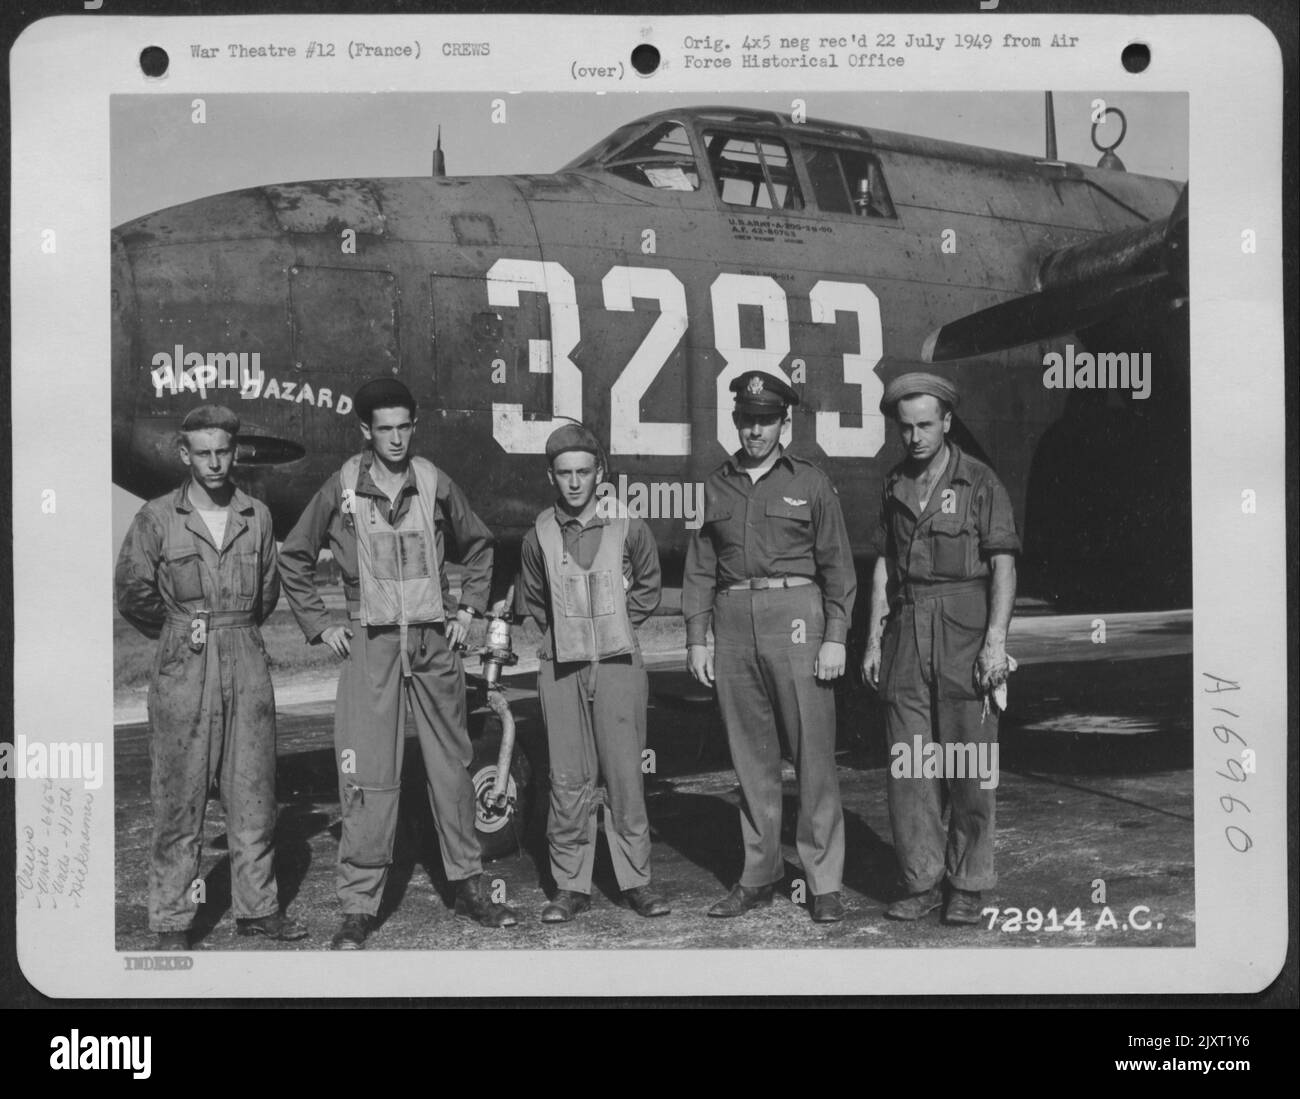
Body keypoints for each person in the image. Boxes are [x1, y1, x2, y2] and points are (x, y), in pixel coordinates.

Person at [278, 378, 519, 949]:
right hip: (372, 646)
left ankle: (467, 884)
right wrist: (321, 624)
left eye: (402, 426)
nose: (393, 437)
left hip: (434, 645)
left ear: (414, 426)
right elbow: (294, 554)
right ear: (366, 430)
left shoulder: (434, 482)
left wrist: (469, 611)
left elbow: (480, 545)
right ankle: (359, 906)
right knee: (366, 776)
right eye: (382, 428)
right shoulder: (342, 487)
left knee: (452, 768)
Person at [115, 404, 307, 950]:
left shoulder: (259, 516)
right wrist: (183, 631)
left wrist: (229, 631)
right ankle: (173, 922)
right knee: (179, 800)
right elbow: (133, 594)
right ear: (185, 455)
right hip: (184, 664)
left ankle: (258, 910)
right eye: (203, 452)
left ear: (235, 452)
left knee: (254, 796)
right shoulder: (156, 518)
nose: (215, 462)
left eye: (223, 451)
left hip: (245, 656)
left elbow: (266, 594)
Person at [683, 371, 856, 922]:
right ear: (735, 420)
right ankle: (759, 874)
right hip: (733, 620)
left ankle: (824, 881)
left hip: (797, 617)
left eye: (766, 419)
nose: (755, 430)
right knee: (750, 760)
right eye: (747, 419)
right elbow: (699, 568)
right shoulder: (713, 486)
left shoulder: (810, 482)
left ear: (785, 422)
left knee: (812, 755)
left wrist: (835, 636)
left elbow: (838, 566)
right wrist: (696, 637)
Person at [861, 373, 1019, 926]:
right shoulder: (893, 485)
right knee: (909, 766)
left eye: (925, 425)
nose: (915, 437)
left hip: (964, 629)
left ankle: (968, 883)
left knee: (969, 764)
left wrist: (995, 643)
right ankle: (922, 880)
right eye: (905, 427)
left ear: (947, 422)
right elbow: (883, 563)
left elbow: (1002, 563)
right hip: (907, 630)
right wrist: (874, 637)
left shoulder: (979, 482)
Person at [515, 424, 669, 922]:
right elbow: (534, 600)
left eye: (584, 471)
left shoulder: (628, 524)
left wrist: (620, 627)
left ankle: (637, 882)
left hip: (618, 666)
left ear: (600, 472)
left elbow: (649, 583)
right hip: (561, 666)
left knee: (625, 775)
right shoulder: (537, 534)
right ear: (550, 476)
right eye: (564, 474)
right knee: (567, 778)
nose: (575, 482)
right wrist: (563, 638)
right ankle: (570, 885)